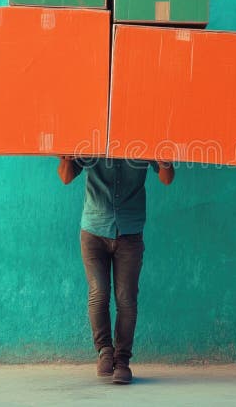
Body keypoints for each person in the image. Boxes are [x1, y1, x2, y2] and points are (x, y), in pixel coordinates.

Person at [57, 156, 174, 384]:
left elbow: (167, 179)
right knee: (98, 293)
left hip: (130, 231)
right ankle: (104, 352)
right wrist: (67, 158)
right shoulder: (92, 135)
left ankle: (122, 361)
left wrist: (165, 161)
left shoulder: (144, 137)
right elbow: (65, 177)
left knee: (126, 299)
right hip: (94, 229)